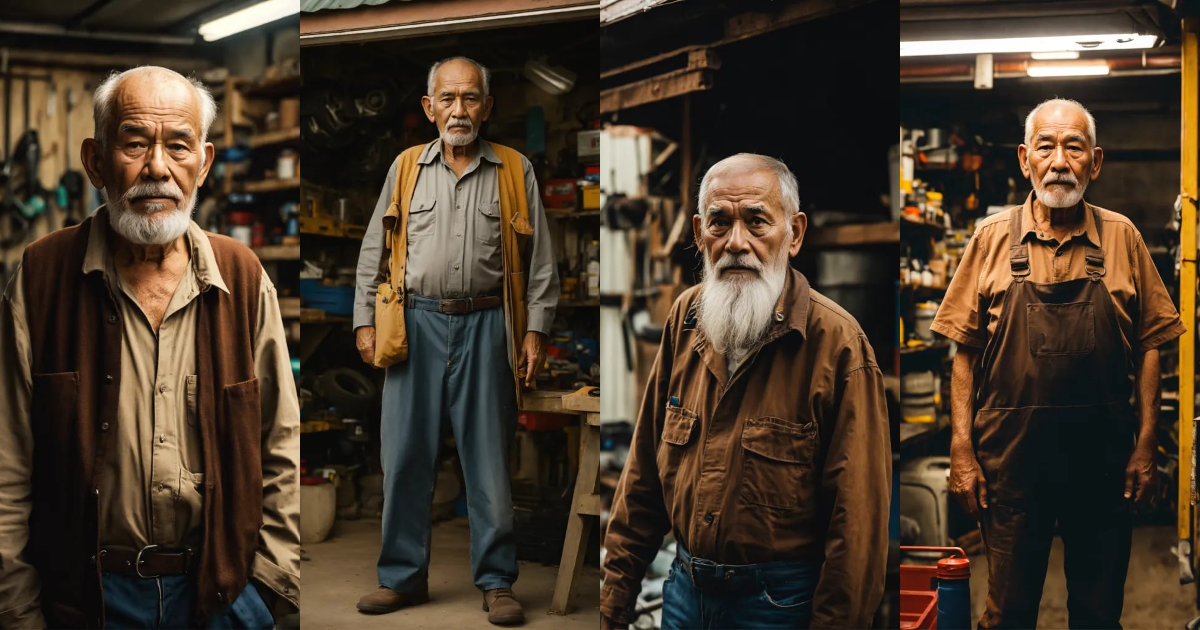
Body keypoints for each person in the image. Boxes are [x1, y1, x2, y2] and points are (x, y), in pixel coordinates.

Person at [0, 66, 300, 629]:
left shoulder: (242, 276)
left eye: (178, 146)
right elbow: (6, 462)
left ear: (204, 164)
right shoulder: (41, 277)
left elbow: (280, 444)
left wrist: (271, 589)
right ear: (95, 160)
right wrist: (17, 611)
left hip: (224, 595)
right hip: (86, 601)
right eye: (135, 143)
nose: (157, 168)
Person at [601, 154, 891, 629]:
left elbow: (856, 529)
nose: (737, 242)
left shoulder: (838, 345)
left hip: (779, 605)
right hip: (684, 594)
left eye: (757, 221)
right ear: (699, 233)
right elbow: (642, 482)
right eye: (720, 222)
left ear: (794, 234)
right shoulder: (685, 319)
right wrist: (612, 606)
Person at [932, 98, 1186, 628]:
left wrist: (1145, 443)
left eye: (1074, 147)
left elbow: (1152, 344)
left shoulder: (1123, 237)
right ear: (1026, 160)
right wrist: (961, 450)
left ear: (1095, 162)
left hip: (1103, 467)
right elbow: (964, 353)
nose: (1059, 161)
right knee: (1008, 615)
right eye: (1046, 146)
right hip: (1012, 468)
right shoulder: (990, 240)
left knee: (1097, 615)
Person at [351, 56, 559, 626]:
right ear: (429, 108)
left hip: (489, 324)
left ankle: (497, 583)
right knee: (404, 457)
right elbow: (375, 248)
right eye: (448, 99)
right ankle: (401, 578)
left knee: (488, 461)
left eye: (470, 99)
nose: (459, 110)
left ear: (487, 108)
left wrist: (535, 329)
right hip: (413, 324)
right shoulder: (404, 168)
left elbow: (540, 258)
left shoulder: (515, 170)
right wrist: (364, 321)